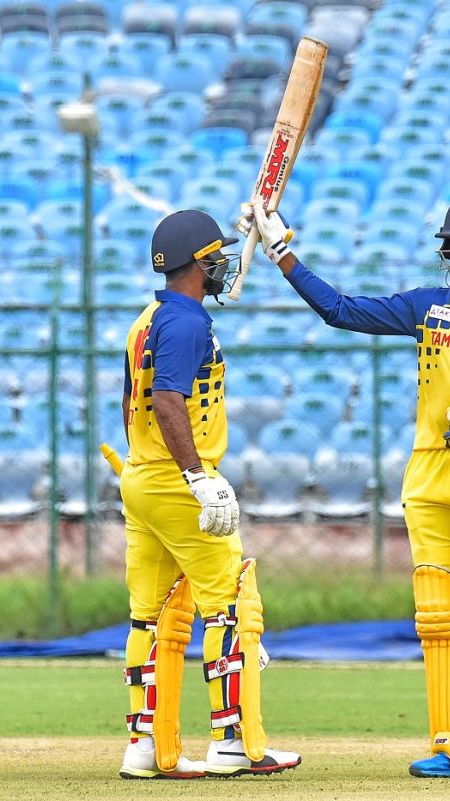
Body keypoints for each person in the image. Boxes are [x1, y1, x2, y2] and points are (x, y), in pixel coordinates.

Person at [239, 192, 450, 779]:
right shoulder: (428, 307)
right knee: (441, 614)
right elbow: (340, 310)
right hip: (428, 473)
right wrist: (281, 253)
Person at [118, 209, 301, 780]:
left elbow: (139, 399)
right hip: (177, 482)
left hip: (142, 478)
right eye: (216, 256)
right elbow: (167, 400)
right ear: (198, 263)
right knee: (231, 605)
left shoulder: (148, 318)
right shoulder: (186, 323)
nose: (223, 263)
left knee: (149, 618)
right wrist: (197, 476)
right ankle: (233, 742)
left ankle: (144, 746)